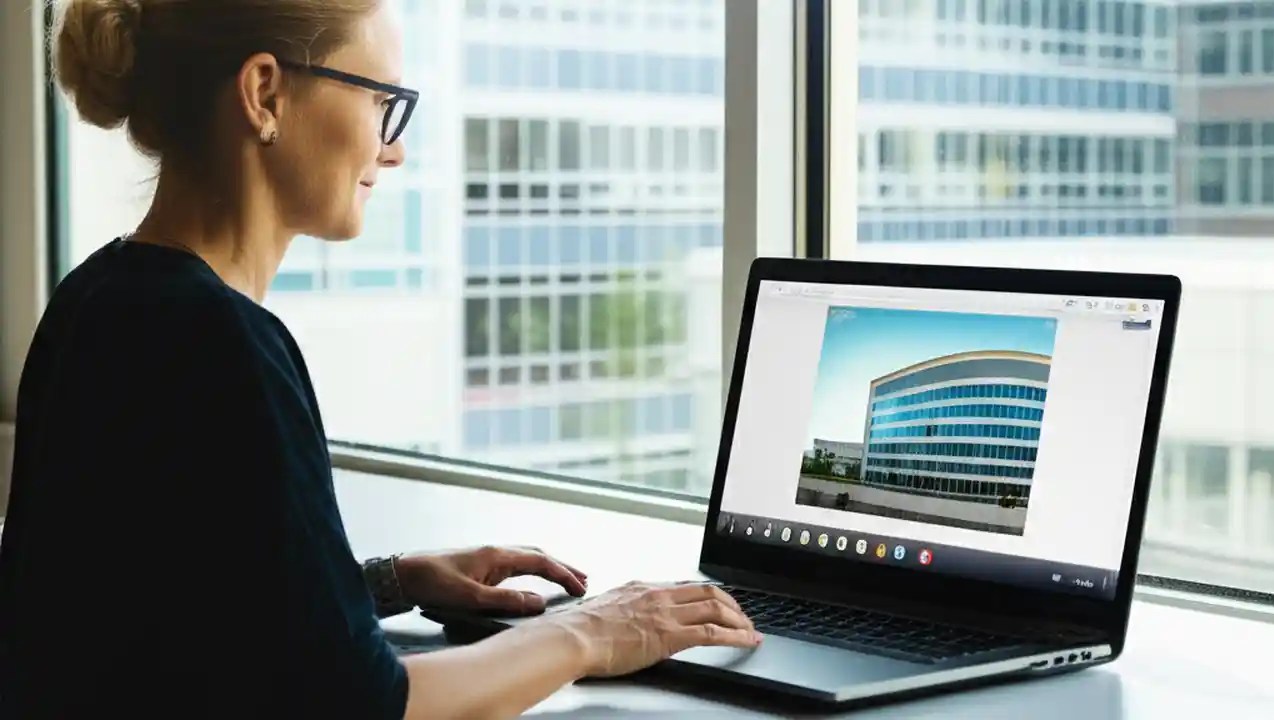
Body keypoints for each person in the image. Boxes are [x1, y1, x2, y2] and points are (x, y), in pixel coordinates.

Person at [0, 1, 761, 717]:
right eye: (378, 102)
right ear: (265, 92)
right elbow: (360, 703)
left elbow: (170, 627)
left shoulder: (96, 298)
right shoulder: (221, 343)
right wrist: (590, 632)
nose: (391, 148)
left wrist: (383, 584)